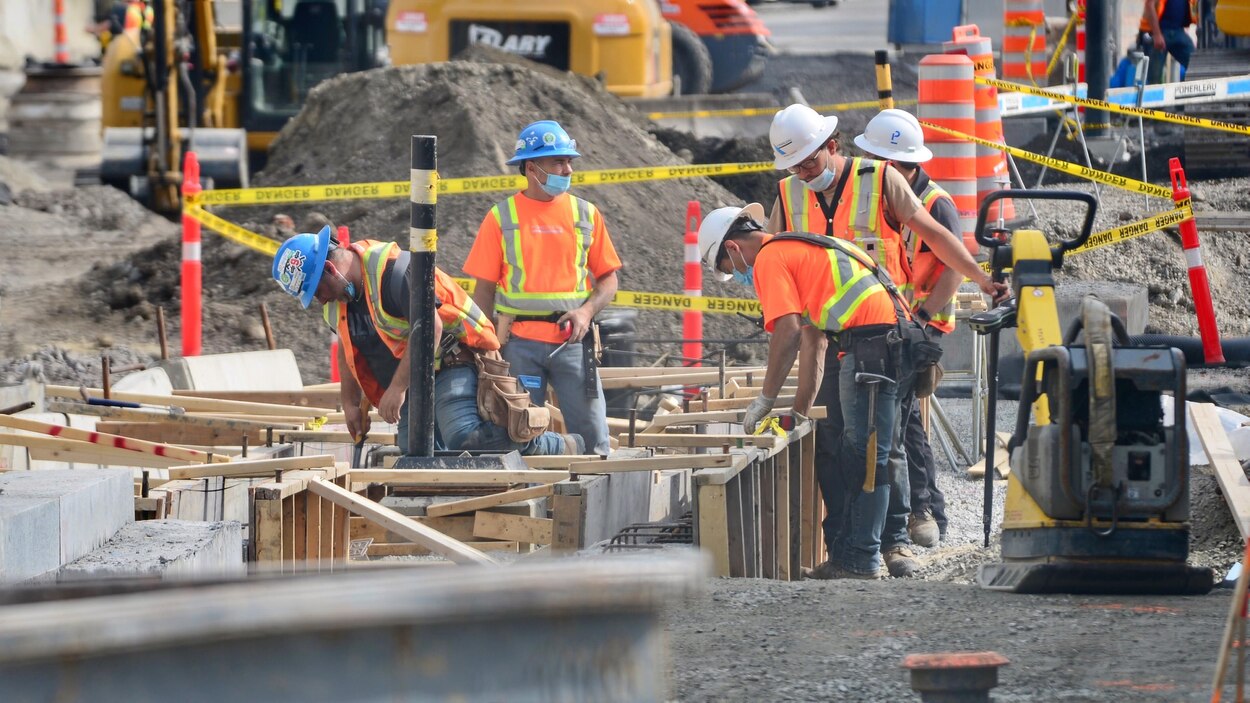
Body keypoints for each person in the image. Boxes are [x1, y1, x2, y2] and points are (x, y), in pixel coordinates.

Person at [764, 104, 1005, 577]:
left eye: (809, 163)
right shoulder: (786, 195)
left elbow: (933, 234)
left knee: (885, 442)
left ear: (831, 147)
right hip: (829, 339)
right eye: (793, 166)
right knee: (834, 443)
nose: (802, 174)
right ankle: (843, 549)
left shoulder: (878, 180)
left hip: (883, 335)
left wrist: (980, 277)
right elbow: (780, 262)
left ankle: (895, 543)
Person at [698, 203, 920, 580]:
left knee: (867, 454)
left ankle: (862, 559)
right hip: (884, 342)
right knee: (861, 450)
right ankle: (855, 554)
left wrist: (765, 400)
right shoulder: (801, 249)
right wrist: (800, 413)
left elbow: (786, 333)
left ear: (733, 249)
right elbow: (813, 342)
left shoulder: (770, 259)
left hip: (874, 346)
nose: (737, 277)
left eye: (728, 270)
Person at [271, 225, 579, 457]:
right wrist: (350, 403)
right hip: (414, 377)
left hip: (453, 360)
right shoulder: (338, 303)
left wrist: (397, 388)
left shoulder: (394, 271)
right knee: (416, 455)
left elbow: (430, 327)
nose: (320, 300)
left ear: (329, 269)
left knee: (463, 436)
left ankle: (550, 445)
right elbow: (348, 351)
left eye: (317, 291)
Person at [465, 120, 621, 456]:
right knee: (519, 435)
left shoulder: (586, 214)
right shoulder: (500, 217)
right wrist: (485, 345)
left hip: (573, 343)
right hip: (519, 344)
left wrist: (585, 311)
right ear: (532, 169)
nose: (568, 169)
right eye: (558, 163)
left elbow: (609, 280)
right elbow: (484, 291)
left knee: (593, 439)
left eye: (569, 162)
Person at [855, 108, 965, 547]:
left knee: (901, 416)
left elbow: (954, 267)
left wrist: (919, 319)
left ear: (893, 163)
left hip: (922, 321)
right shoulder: (880, 196)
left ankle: (925, 510)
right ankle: (923, 512)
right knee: (900, 416)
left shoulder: (937, 203)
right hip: (892, 318)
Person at [1138, 0, 1194, 84]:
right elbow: (1149, 6)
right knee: (1154, 79)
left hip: (1177, 30)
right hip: (1156, 32)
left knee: (1194, 63)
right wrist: (1157, 34)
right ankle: (1154, 95)